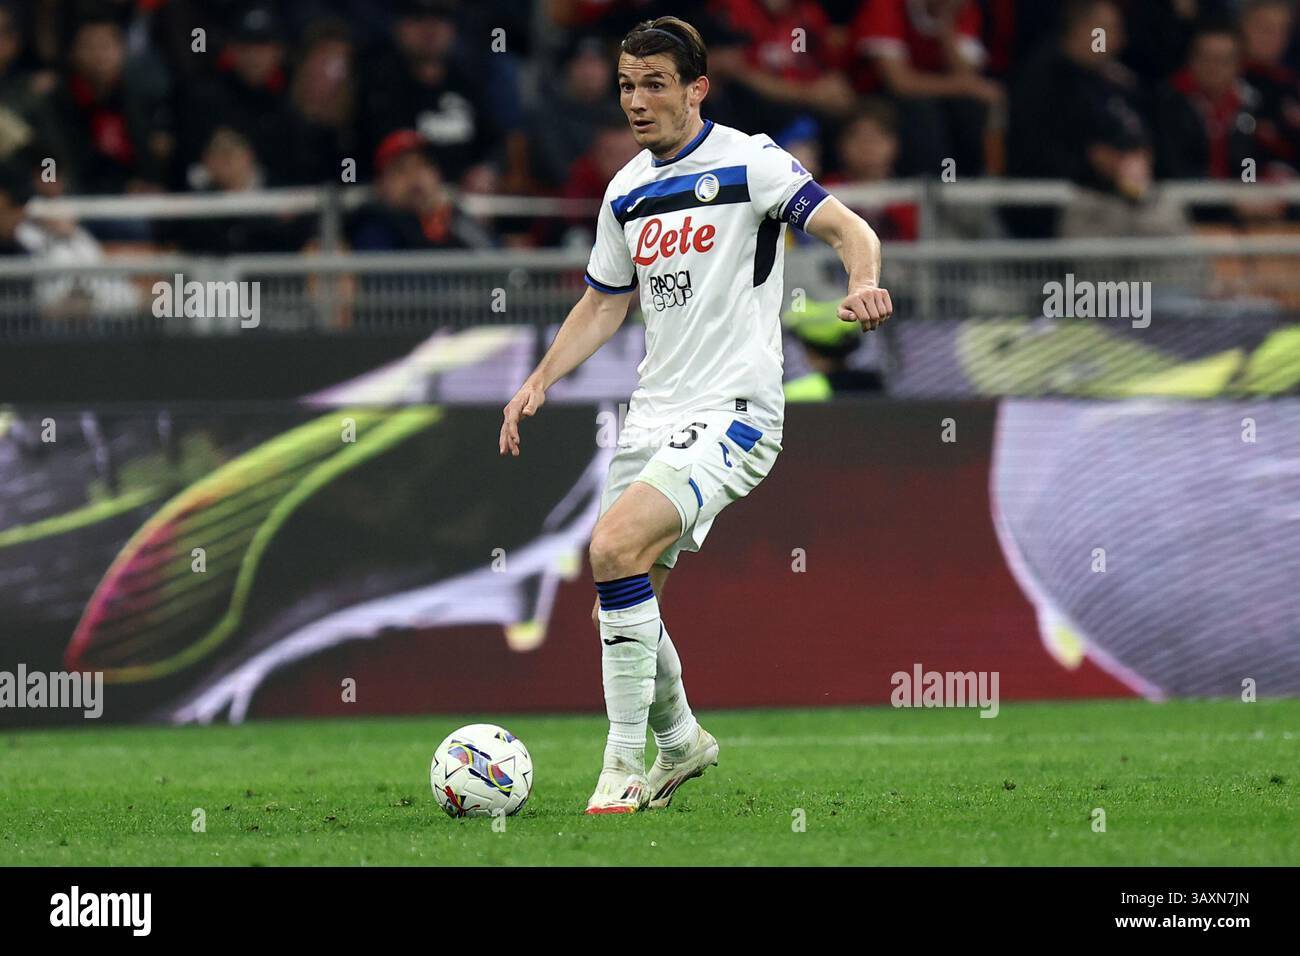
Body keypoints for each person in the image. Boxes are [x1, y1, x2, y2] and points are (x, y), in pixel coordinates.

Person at [498, 16, 892, 814]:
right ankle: (680, 741)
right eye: (625, 86)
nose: (636, 102)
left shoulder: (751, 161)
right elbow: (604, 305)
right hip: (653, 414)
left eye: (653, 85)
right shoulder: (626, 191)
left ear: (695, 89)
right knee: (627, 576)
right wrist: (540, 376)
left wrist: (862, 280)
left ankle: (619, 766)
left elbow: (850, 227)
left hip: (735, 410)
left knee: (610, 546)